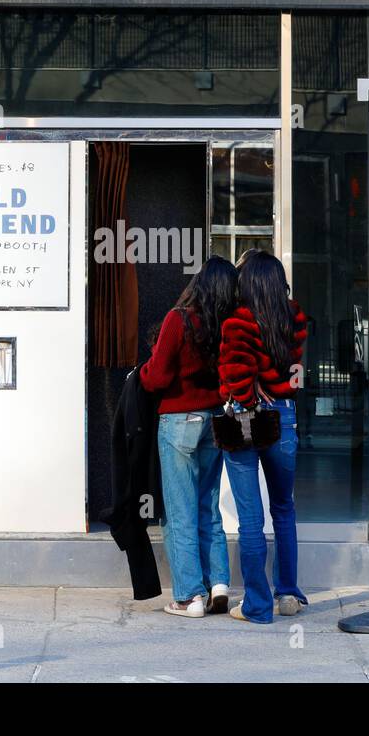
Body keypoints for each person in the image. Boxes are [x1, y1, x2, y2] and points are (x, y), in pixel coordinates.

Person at [139, 255, 237, 618]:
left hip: (180, 422)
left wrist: (146, 367)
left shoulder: (178, 319)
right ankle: (220, 585)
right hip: (215, 421)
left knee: (179, 512)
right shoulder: (228, 325)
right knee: (208, 509)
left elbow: (157, 378)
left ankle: (189, 597)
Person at [219, 251, 309, 623]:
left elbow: (233, 378)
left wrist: (250, 390)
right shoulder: (294, 316)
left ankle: (257, 604)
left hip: (247, 420)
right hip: (285, 419)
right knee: (284, 509)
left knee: (250, 519)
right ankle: (288, 594)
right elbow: (294, 376)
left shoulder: (237, 321)